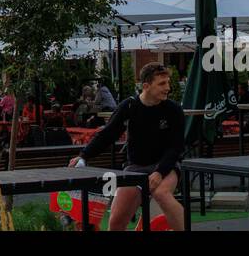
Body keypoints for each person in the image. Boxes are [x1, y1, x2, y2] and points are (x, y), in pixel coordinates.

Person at [70, 62, 185, 232]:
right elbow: (108, 135)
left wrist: (159, 172)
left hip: (166, 166)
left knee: (161, 193)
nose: (167, 87)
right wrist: (84, 155)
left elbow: (176, 147)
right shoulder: (129, 107)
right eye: (162, 83)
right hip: (135, 167)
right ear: (146, 86)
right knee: (116, 222)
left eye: (168, 82)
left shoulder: (173, 110)